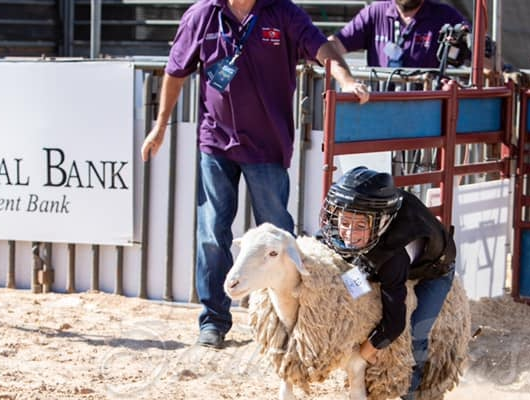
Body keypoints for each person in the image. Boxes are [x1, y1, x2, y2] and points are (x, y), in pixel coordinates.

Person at [141, 0, 369, 349]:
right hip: (216, 142)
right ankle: (213, 322)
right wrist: (160, 127)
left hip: (268, 146)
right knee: (212, 232)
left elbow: (322, 49)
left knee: (278, 235)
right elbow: (176, 71)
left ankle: (291, 321)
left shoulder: (282, 12)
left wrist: (347, 80)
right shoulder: (202, 15)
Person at [320, 167, 456, 400]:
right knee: (354, 291)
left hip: (434, 271)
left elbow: (394, 324)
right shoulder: (343, 232)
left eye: (360, 226)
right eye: (345, 222)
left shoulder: (393, 256)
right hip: (374, 259)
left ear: (381, 223)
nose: (349, 234)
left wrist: (360, 357)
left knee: (417, 329)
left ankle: (414, 392)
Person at [329, 0, 469, 71]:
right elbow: (338, 44)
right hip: (381, 104)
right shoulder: (374, 13)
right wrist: (314, 47)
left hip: (426, 107)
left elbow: (474, 46)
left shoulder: (445, 15)